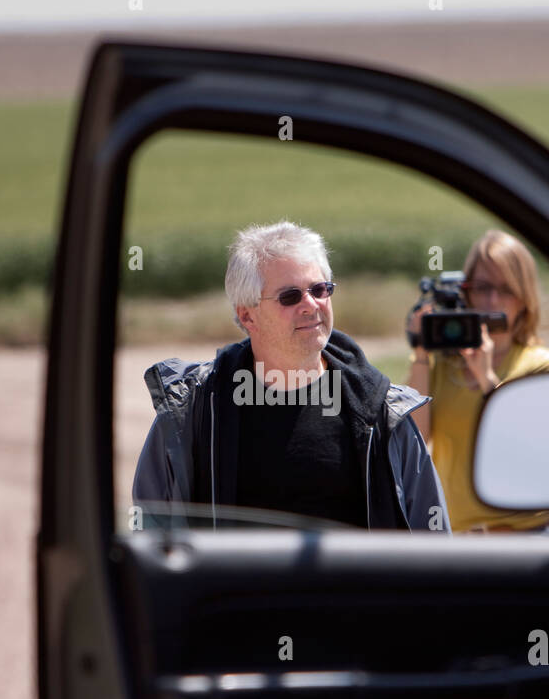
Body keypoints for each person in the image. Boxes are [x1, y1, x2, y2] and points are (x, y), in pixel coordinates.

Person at [133, 220, 450, 532]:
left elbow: (432, 548)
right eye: (290, 296)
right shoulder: (191, 413)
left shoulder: (383, 412)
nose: (311, 305)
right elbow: (150, 539)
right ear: (247, 315)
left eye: (319, 289)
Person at [405, 229, 549, 532]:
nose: (492, 300)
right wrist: (422, 354)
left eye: (506, 289)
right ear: (467, 292)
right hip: (460, 536)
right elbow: (416, 440)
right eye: (483, 287)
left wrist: (488, 380)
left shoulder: (541, 363)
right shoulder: (441, 362)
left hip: (527, 535)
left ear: (524, 299)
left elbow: (534, 445)